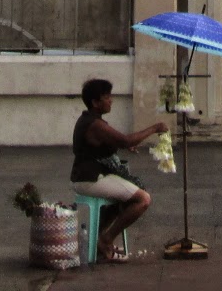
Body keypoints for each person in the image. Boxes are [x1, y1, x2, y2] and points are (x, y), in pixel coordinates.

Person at [69, 78, 169, 264]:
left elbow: (107, 144)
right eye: (107, 97)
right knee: (143, 199)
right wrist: (155, 128)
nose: (111, 100)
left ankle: (98, 240)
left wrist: (122, 146)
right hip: (90, 179)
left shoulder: (90, 121)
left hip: (85, 177)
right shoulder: (95, 124)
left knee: (122, 199)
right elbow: (125, 140)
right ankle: (106, 240)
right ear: (95, 102)